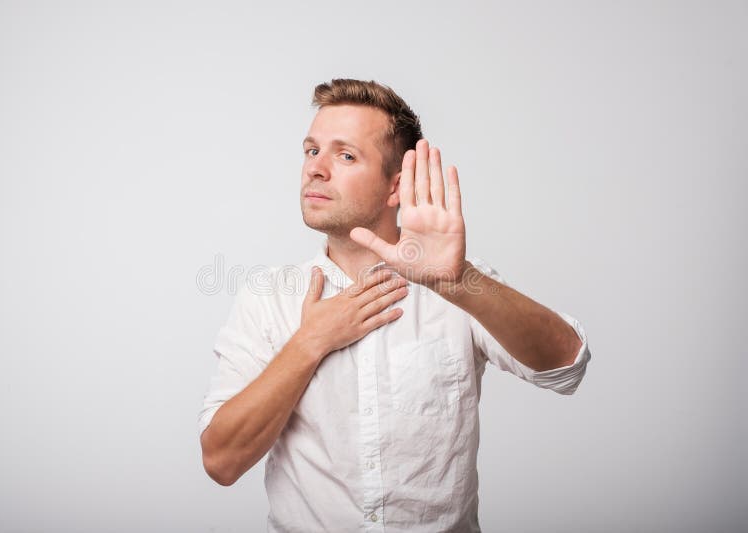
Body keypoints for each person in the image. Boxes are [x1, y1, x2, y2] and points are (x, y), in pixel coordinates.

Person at [198, 78, 592, 532]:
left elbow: (568, 365)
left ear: (395, 187)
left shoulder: (461, 284)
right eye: (312, 151)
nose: (316, 169)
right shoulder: (267, 298)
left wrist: (459, 281)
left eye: (345, 155)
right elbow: (221, 461)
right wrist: (310, 342)